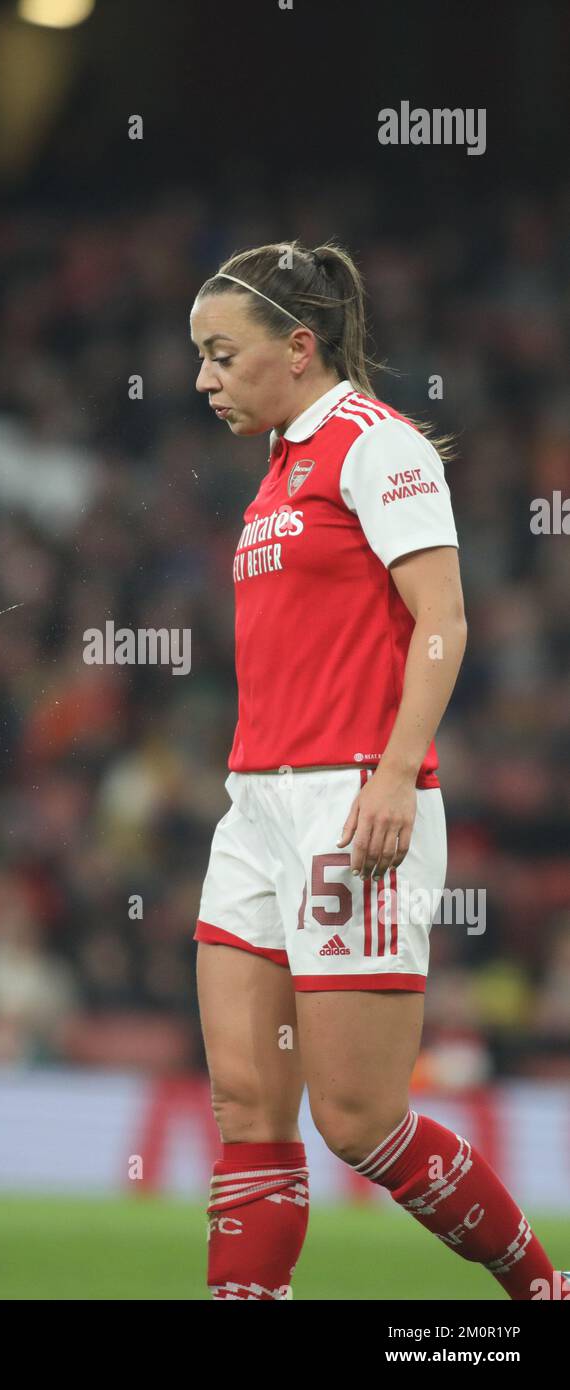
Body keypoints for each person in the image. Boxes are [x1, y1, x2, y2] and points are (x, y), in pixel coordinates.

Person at [189, 239, 566, 1301]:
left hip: (348, 802)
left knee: (355, 1120)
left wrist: (395, 774)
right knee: (245, 1108)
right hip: (253, 806)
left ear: (297, 348)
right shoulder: (276, 473)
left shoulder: (376, 445)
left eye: (221, 355)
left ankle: (540, 1290)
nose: (202, 380)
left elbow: (441, 622)